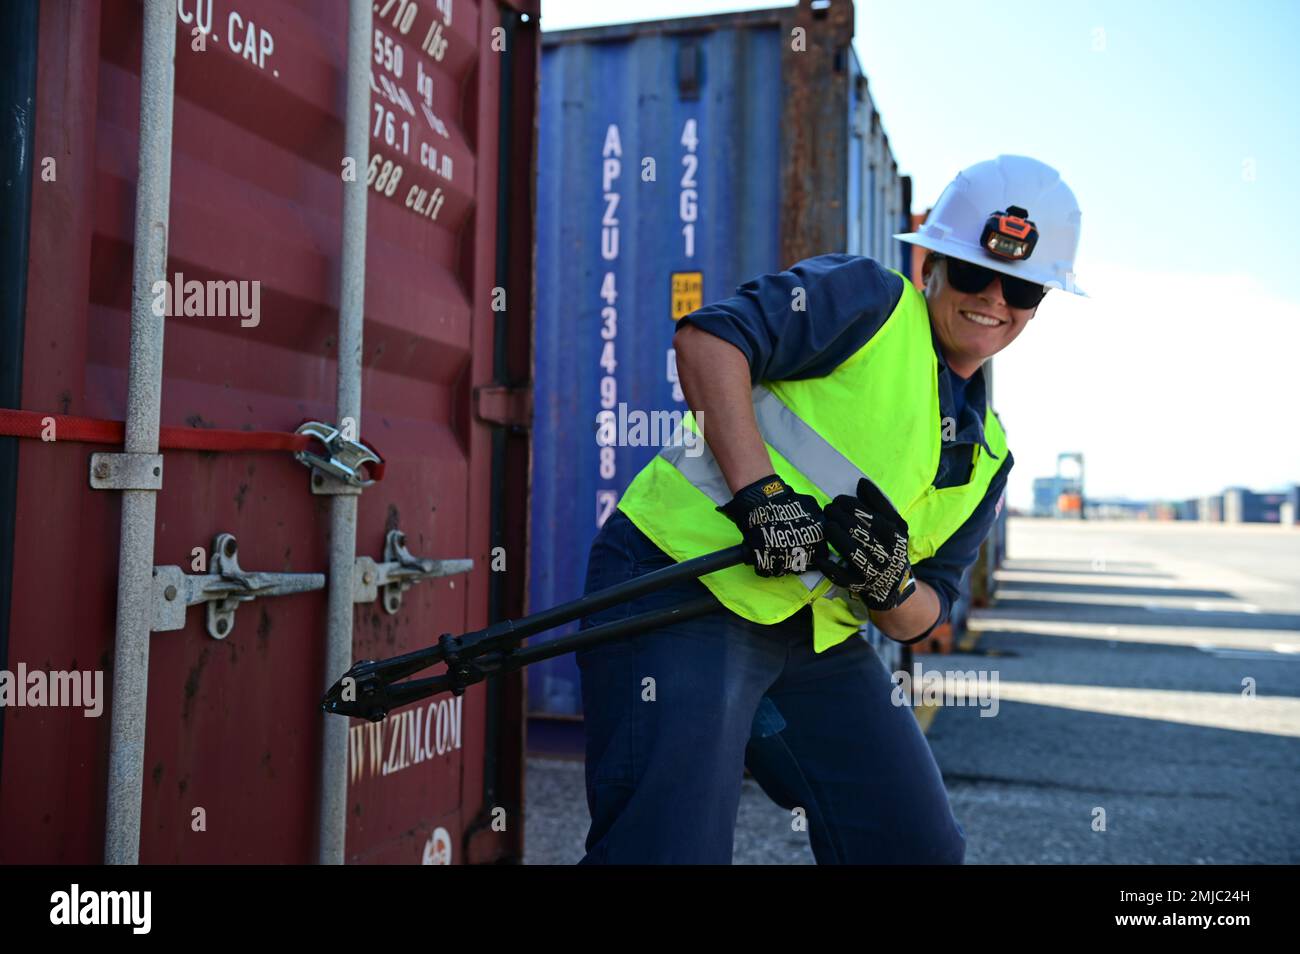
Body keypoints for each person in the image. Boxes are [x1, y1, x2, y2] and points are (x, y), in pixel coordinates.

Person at [576, 155, 1085, 864]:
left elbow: (927, 610)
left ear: (1039, 302)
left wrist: (889, 585)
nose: (994, 298)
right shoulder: (870, 301)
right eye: (973, 272)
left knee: (913, 847)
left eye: (1023, 286)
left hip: (810, 640)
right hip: (680, 588)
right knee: (667, 850)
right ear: (931, 266)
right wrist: (763, 498)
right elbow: (709, 340)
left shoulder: (990, 455)